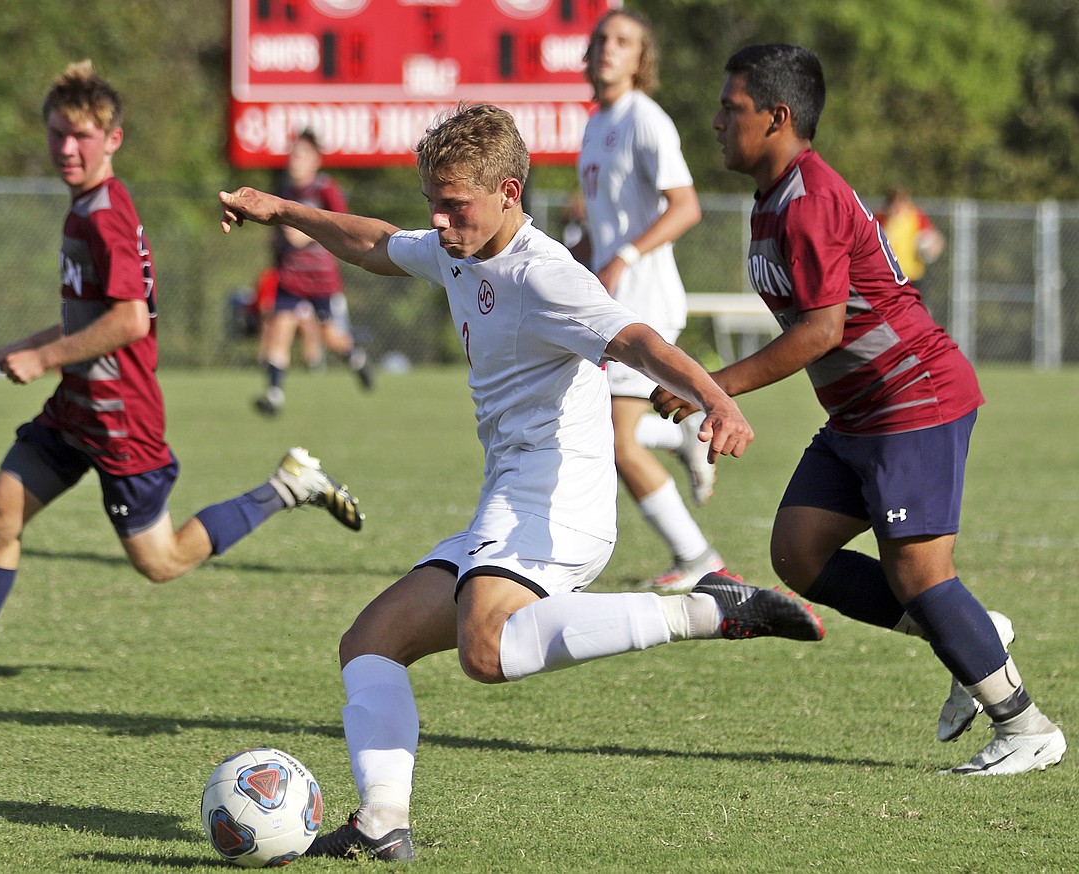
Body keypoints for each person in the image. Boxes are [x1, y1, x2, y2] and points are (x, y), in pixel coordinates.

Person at [219, 102, 825, 861]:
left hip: (558, 502)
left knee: (485, 649)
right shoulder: (456, 246)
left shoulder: (548, 276)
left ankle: (703, 610)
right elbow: (376, 244)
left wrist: (715, 396)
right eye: (433, 204)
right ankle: (381, 824)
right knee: (369, 644)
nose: (440, 222)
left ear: (509, 193)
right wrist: (280, 208)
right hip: (505, 500)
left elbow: (634, 337)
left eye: (456, 206)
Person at [653, 44, 1065, 776]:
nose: (716, 120)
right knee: (798, 552)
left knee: (919, 575)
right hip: (861, 412)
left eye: (731, 107)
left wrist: (710, 387)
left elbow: (820, 330)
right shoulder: (773, 196)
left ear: (777, 117)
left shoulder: (807, 200)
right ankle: (972, 635)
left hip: (913, 396)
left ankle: (1026, 726)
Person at [0, 61, 363, 690]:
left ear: (112, 139)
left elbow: (131, 320)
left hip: (120, 416)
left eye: (81, 135)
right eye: (57, 133)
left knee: (160, 562)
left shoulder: (104, 213)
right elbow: (99, 313)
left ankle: (287, 486)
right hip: (77, 404)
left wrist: (42, 358)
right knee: (1, 511)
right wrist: (34, 344)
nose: (66, 148)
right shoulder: (88, 205)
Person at [578, 9, 720, 593]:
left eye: (624, 42)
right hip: (611, 300)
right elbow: (599, 226)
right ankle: (684, 434)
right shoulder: (595, 125)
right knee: (608, 435)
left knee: (616, 439)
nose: (609, 49)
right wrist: (577, 261)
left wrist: (623, 258)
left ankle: (699, 558)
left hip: (646, 300)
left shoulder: (646, 119)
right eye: (602, 40)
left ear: (642, 60)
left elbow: (686, 206)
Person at [254, 129, 372, 416]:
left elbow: (343, 224)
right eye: (292, 154)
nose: (294, 160)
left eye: (302, 155)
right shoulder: (284, 190)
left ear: (316, 160)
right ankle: (274, 394)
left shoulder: (325, 189)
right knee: (280, 329)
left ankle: (355, 357)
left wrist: (308, 233)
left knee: (331, 337)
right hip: (291, 277)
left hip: (321, 280)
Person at [877, 185, 945, 283]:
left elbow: (934, 238)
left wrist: (931, 248)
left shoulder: (916, 216)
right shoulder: (881, 217)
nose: (898, 204)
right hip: (888, 274)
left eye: (901, 200)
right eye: (894, 200)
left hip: (912, 274)